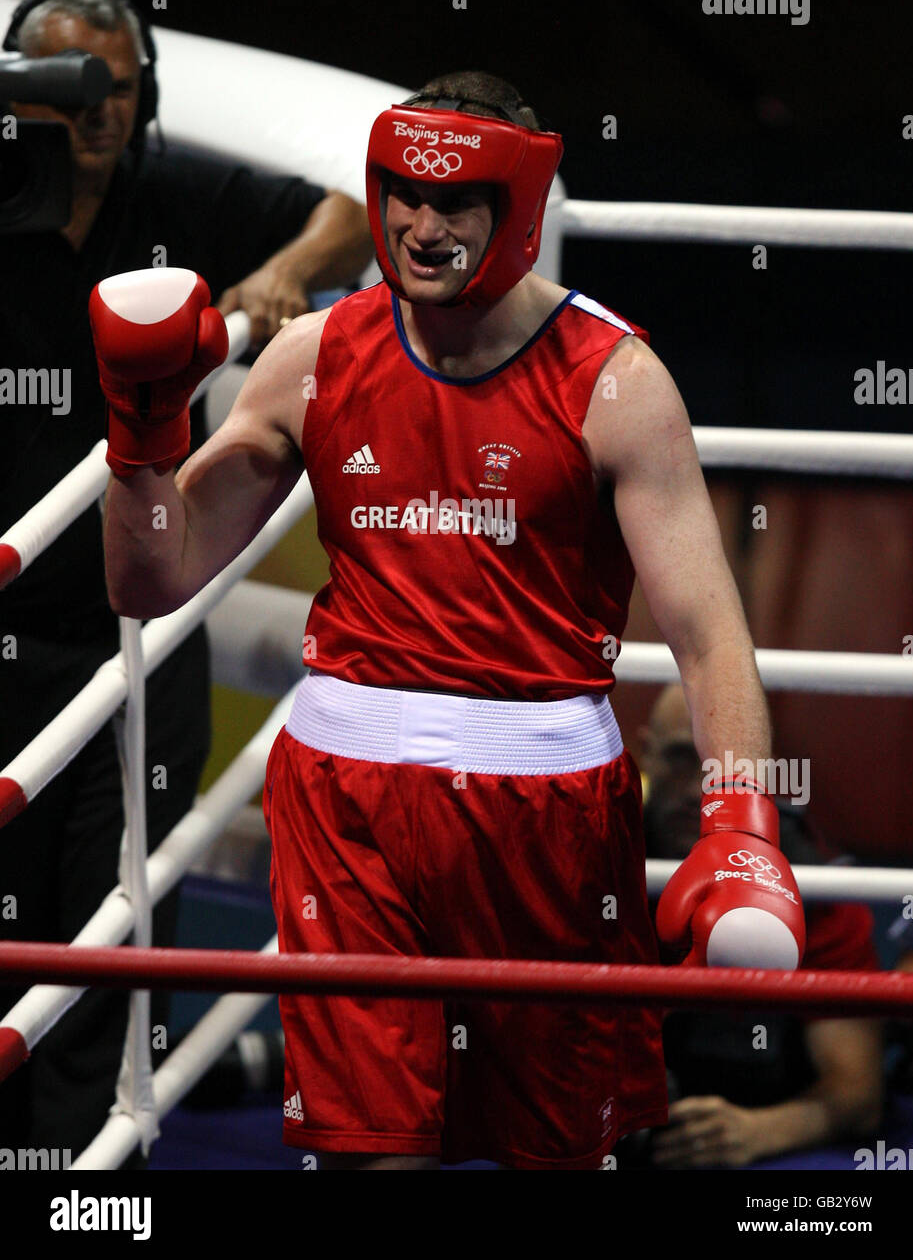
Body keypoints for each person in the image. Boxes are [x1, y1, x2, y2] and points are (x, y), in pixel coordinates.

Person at [96, 70, 806, 1170]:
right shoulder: (313, 357)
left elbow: (709, 633)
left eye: (457, 203)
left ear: (514, 212)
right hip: (346, 797)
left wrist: (742, 821)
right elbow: (153, 579)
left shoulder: (613, 381)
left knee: (554, 1151)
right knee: (374, 1151)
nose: (421, 229)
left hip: (546, 807)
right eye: (402, 198)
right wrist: (140, 442)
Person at [0, 0, 372, 1161]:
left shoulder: (179, 194)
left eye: (116, 85)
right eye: (69, 89)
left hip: (133, 632)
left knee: (110, 930)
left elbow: (353, 206)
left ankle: (88, 1185)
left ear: (144, 90)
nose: (97, 109)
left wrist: (283, 269)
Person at [639, 683, 882, 1168]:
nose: (698, 791)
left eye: (724, 772)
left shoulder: (810, 884)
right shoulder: (595, 859)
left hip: (763, 1110)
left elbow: (859, 1091)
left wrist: (762, 1131)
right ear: (644, 753)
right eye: (682, 758)